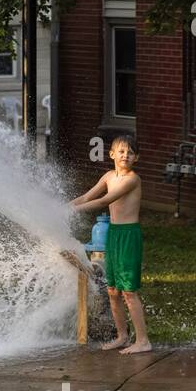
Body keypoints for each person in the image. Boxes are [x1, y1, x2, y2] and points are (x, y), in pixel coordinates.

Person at [70, 133, 151, 354]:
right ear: (112, 154)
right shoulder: (108, 176)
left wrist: (73, 211)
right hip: (113, 234)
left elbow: (106, 200)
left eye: (131, 152)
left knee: (129, 292)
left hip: (128, 235)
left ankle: (143, 341)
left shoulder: (133, 179)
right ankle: (123, 336)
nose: (126, 155)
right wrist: (64, 206)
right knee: (113, 290)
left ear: (137, 158)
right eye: (122, 151)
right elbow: (87, 197)